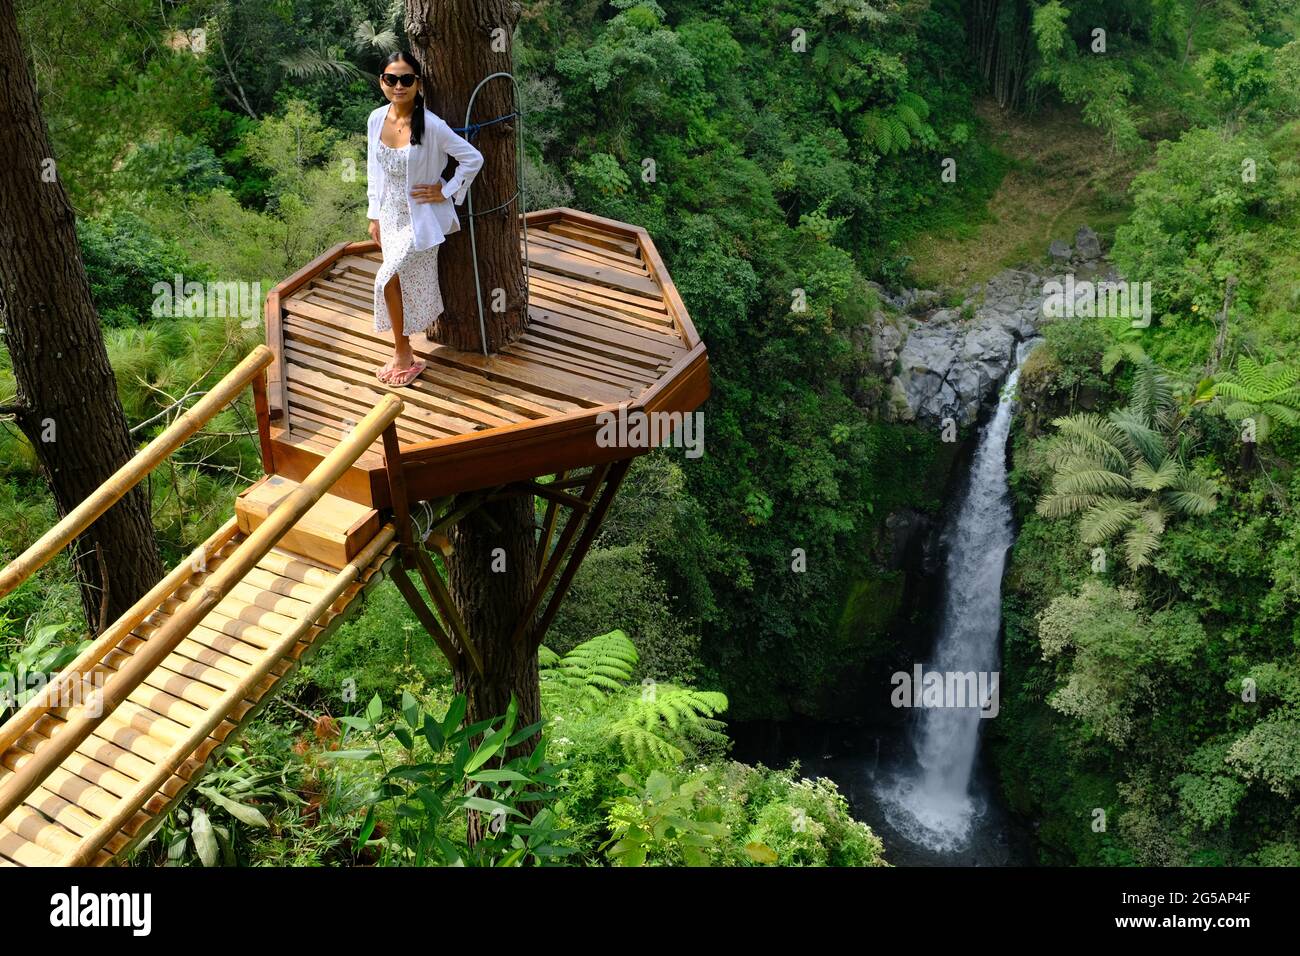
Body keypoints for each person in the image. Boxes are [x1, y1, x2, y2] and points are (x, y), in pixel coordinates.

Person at [365, 49, 483, 386]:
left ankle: (403, 353)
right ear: (382, 82)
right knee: (397, 281)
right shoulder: (376, 119)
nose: (398, 86)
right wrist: (374, 215)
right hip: (390, 216)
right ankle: (403, 352)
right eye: (391, 79)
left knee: (386, 279)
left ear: (418, 83)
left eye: (406, 79)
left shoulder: (432, 125)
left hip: (420, 219)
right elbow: (374, 171)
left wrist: (445, 191)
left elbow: (472, 159)